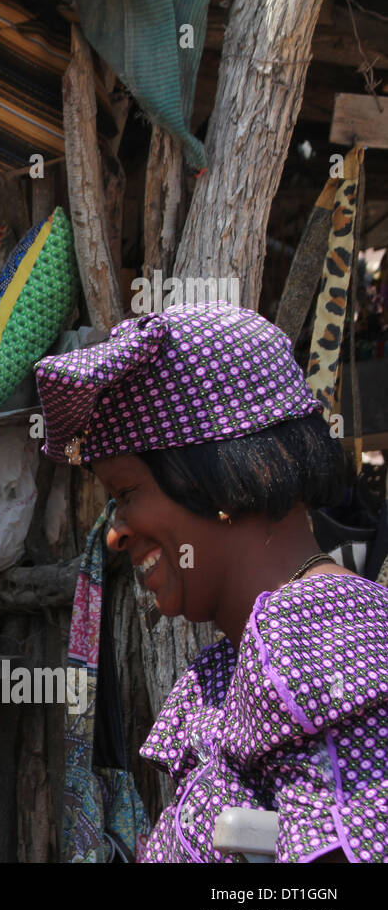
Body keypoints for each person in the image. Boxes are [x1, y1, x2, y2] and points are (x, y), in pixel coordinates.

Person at [35, 301, 388, 862]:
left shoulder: (312, 637)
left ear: (218, 477)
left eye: (126, 494)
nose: (114, 534)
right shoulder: (241, 662)